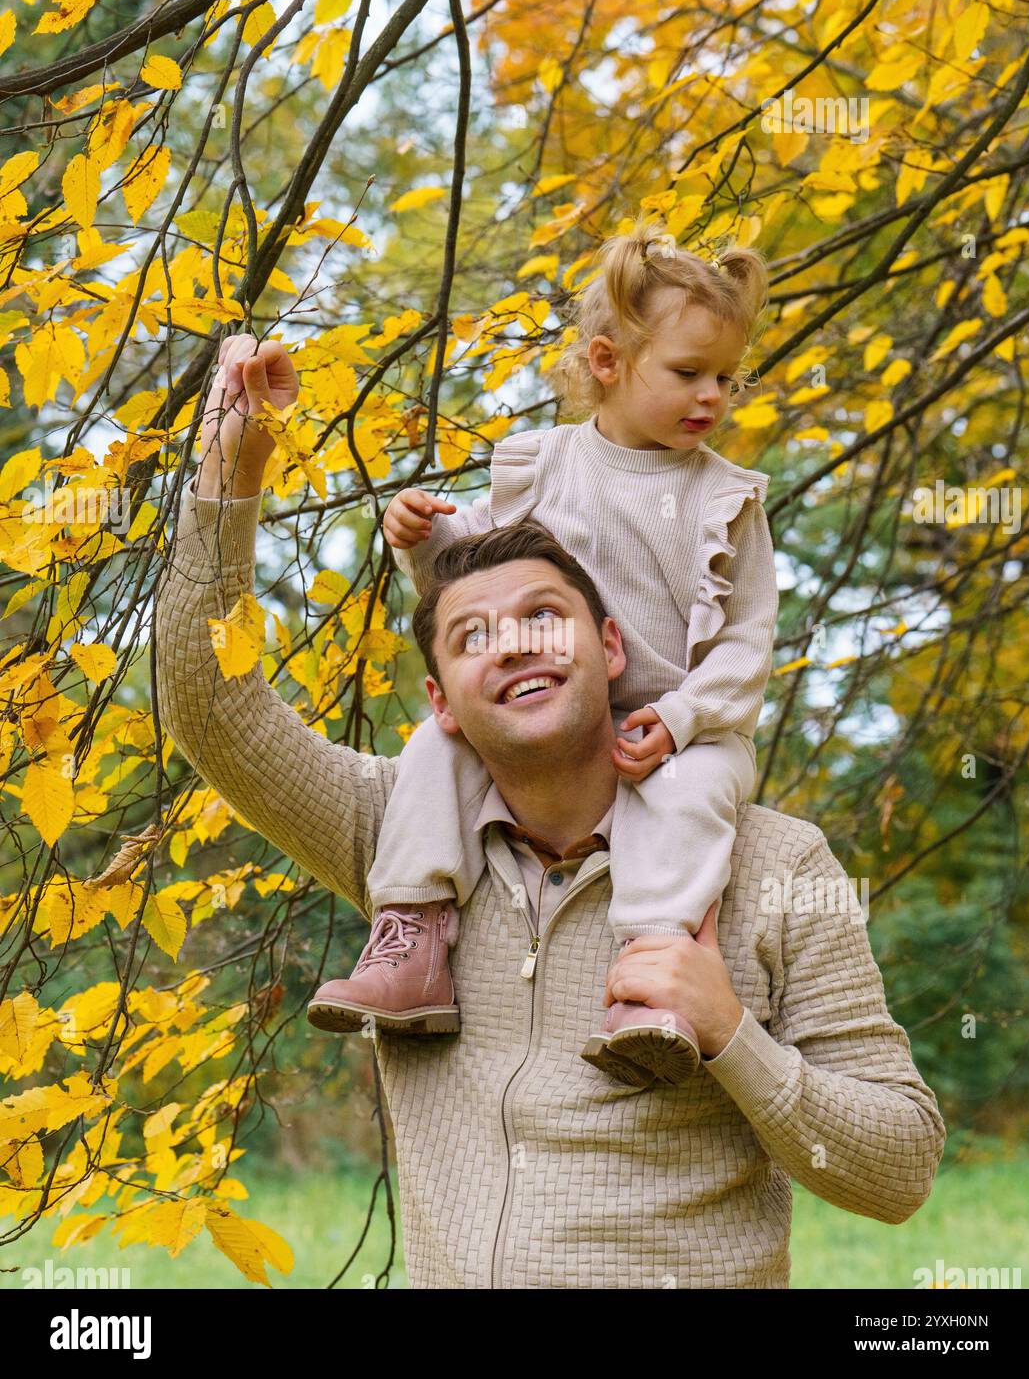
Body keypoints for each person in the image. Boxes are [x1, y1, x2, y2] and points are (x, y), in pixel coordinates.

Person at [154, 264, 946, 1289]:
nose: (513, 645)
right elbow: (210, 708)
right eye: (473, 634)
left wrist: (729, 1032)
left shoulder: (772, 867)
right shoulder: (397, 835)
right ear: (441, 700)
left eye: (542, 616)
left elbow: (899, 1169)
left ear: (610, 646)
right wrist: (231, 473)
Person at [308, 215, 776, 1086]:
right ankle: (412, 937)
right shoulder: (544, 467)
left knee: (687, 799)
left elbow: (747, 646)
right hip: (547, 708)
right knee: (433, 749)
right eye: (687, 373)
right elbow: (465, 589)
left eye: (725, 377)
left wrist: (678, 721)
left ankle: (653, 979)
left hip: (678, 728)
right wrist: (417, 539)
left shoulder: (725, 500)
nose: (710, 396)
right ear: (606, 363)